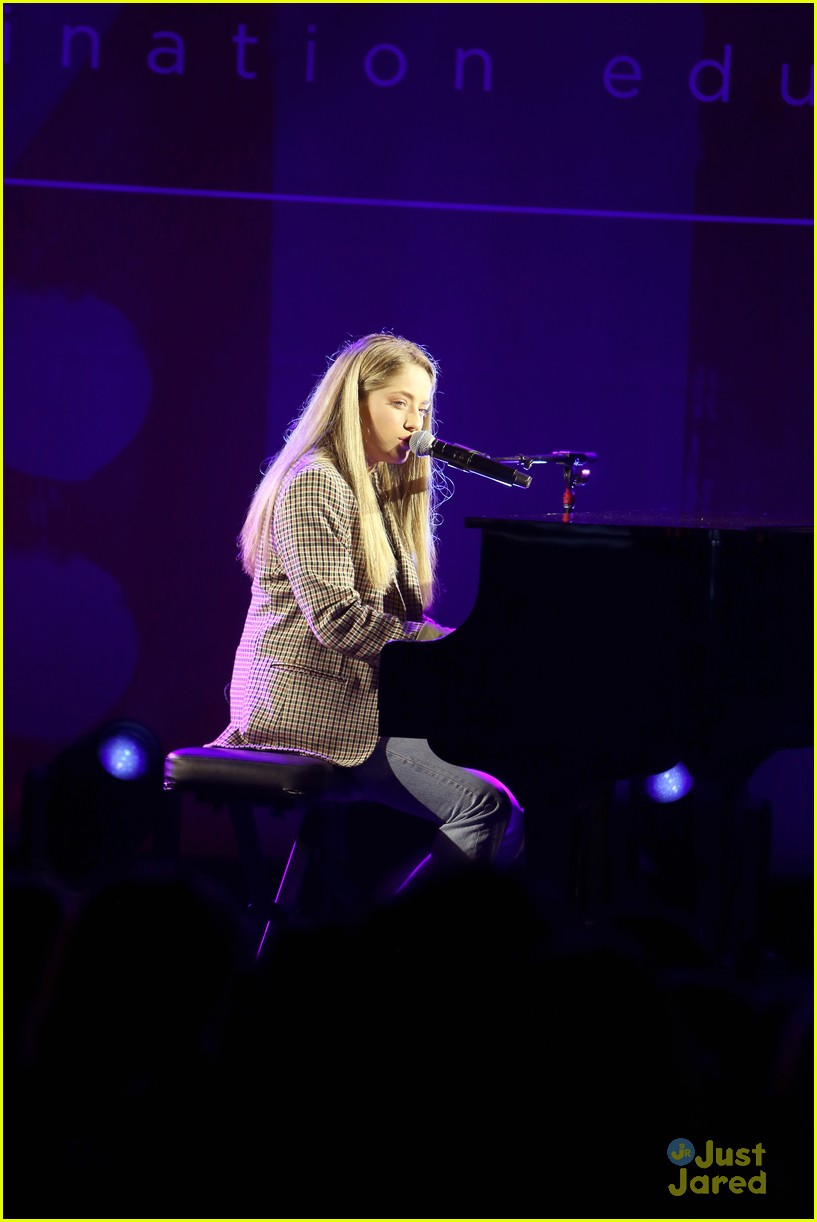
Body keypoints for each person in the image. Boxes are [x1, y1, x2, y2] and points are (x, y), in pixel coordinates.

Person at [208, 332, 524, 887]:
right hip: (305, 707)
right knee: (486, 808)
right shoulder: (315, 482)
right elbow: (336, 619)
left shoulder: (380, 487)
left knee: (501, 781)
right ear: (355, 402)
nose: (414, 423)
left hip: (354, 702)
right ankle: (398, 955)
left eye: (423, 408)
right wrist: (439, 644)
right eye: (398, 403)